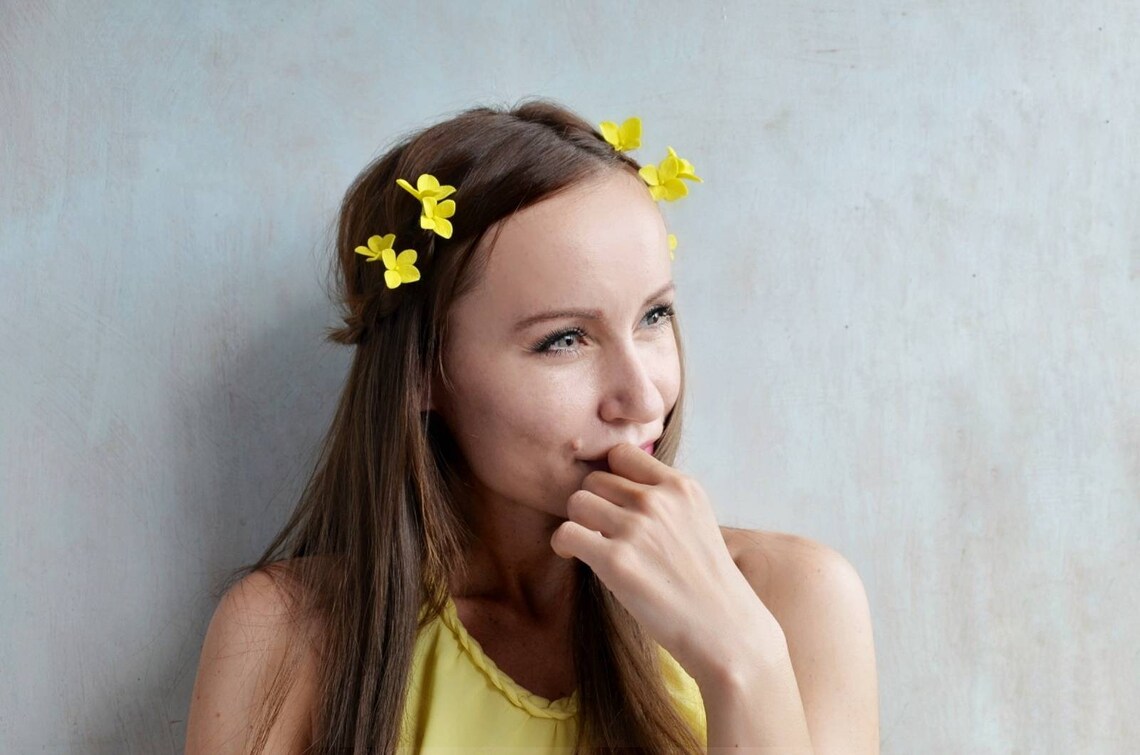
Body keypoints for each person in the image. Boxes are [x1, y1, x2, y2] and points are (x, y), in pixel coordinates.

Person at [184, 99, 879, 754]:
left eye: (654, 316)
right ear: (423, 373)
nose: (641, 396)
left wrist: (743, 662)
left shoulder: (793, 602)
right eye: (564, 340)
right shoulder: (289, 636)